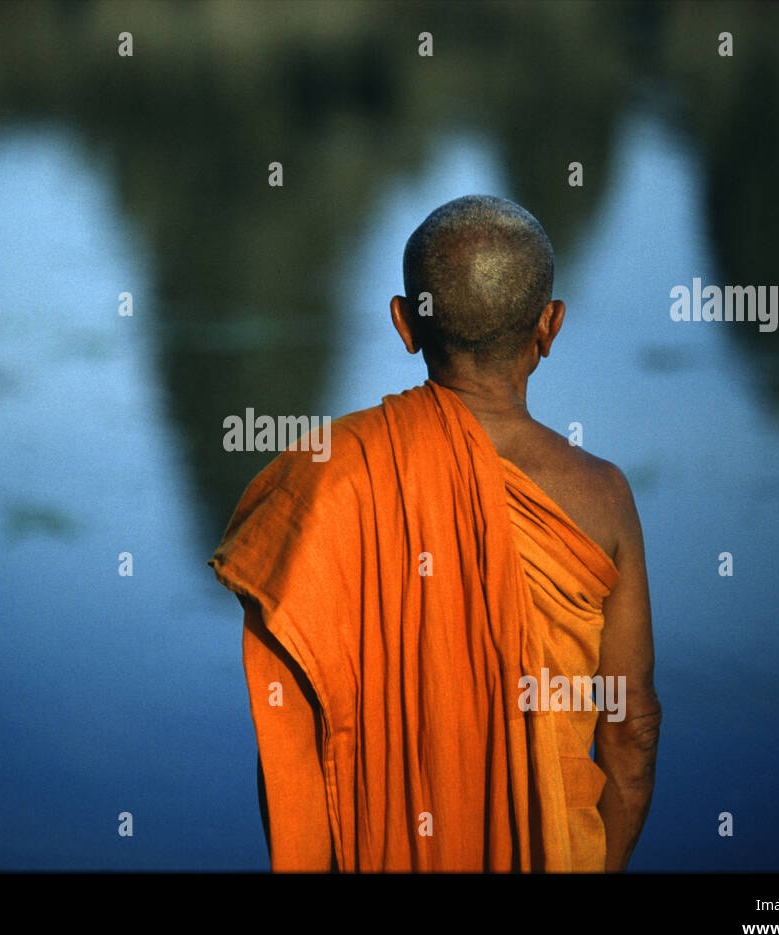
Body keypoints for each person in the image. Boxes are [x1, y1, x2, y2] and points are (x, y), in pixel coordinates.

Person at [209, 195, 660, 872]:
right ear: (551, 325)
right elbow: (632, 731)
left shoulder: (331, 477)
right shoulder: (603, 497)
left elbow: (296, 730)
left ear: (404, 323)